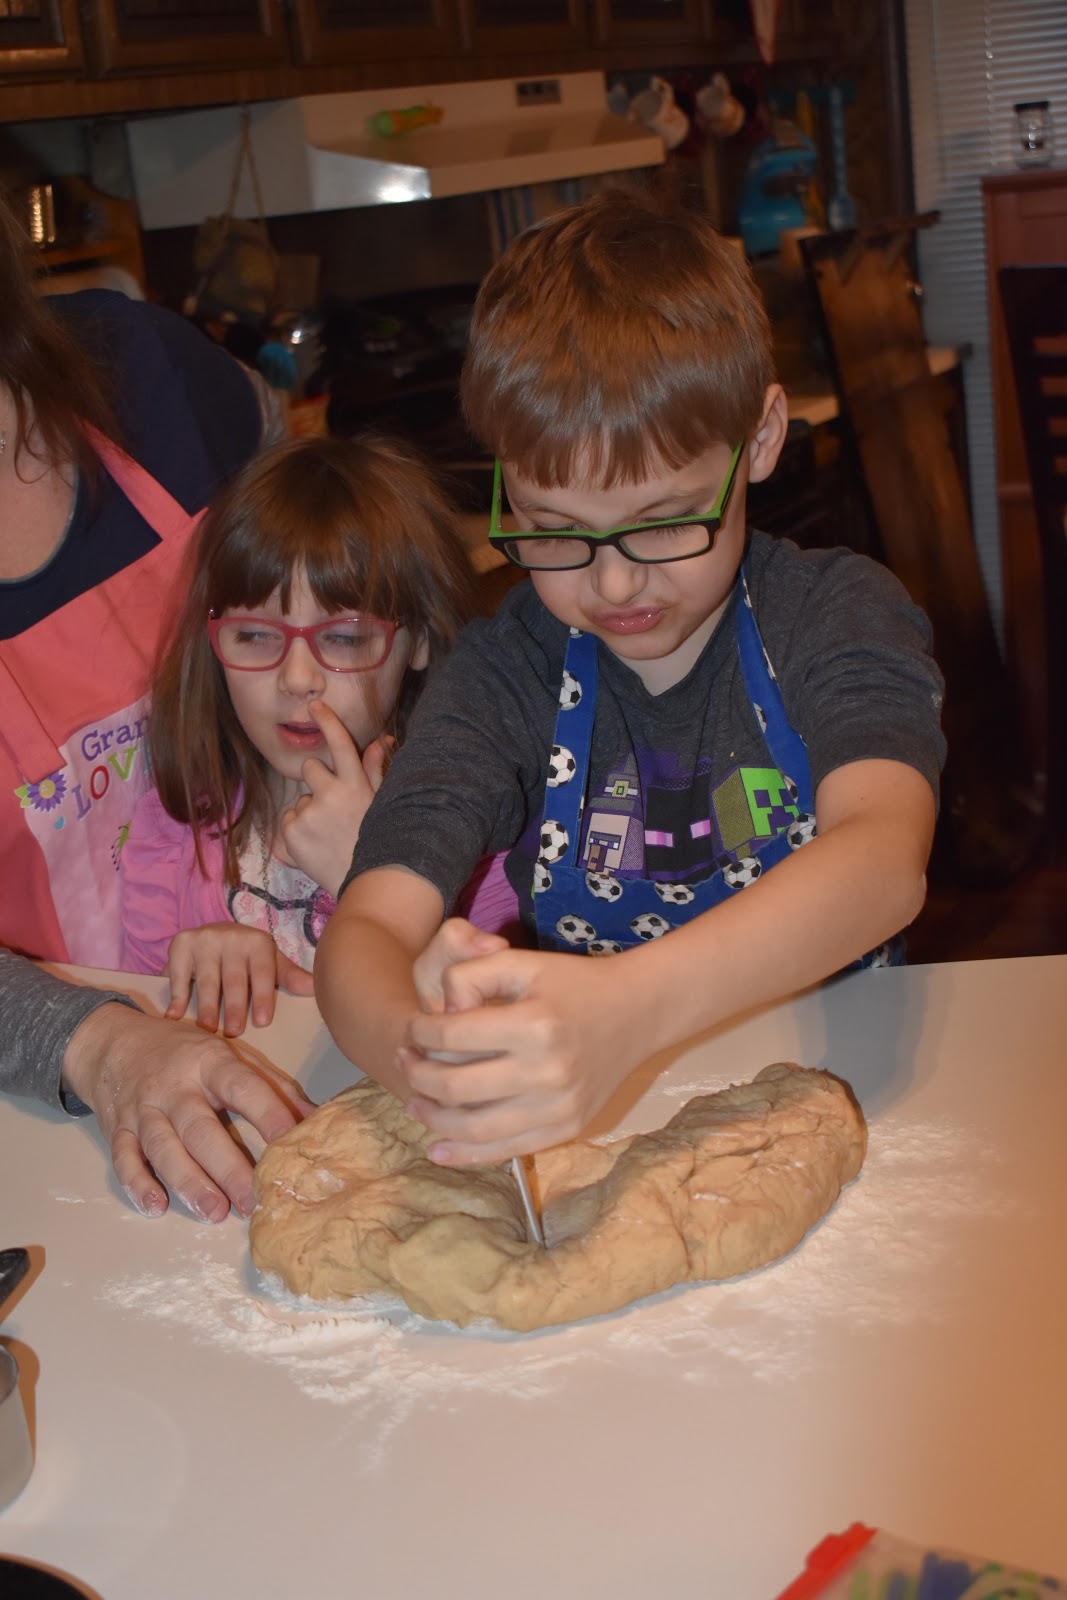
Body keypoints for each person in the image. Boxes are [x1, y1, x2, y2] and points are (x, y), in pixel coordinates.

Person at [314, 186, 947, 1169]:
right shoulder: (506, 670)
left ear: (761, 437)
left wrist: (625, 1010)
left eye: (662, 520)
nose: (611, 581)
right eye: (554, 529)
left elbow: (880, 861)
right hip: (597, 1124)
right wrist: (428, 1059)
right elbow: (363, 931)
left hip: (839, 1088)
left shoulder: (832, 614)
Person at [0, 184, 305, 1222]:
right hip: (36, 1107)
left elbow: (333, 564)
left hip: (294, 1006)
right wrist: (105, 1041)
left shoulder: (151, 379)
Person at [119, 432, 489, 1038]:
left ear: (419, 639)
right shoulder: (173, 827)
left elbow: (484, 1026)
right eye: (256, 635)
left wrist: (370, 873)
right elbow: (142, 1034)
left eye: (344, 637)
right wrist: (195, 965)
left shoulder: (474, 821)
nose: (296, 679)